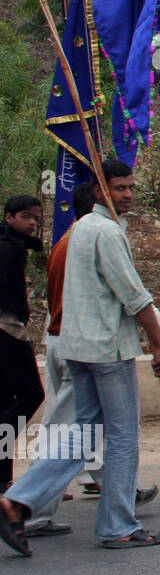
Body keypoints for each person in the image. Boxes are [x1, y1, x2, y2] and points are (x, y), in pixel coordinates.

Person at [1, 161, 160, 554]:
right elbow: (133, 295)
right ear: (99, 192)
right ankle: (117, 525)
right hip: (104, 349)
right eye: (119, 188)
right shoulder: (105, 231)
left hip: (77, 346)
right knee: (122, 435)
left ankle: (17, 500)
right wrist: (159, 342)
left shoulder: (78, 230)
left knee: (84, 434)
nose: (127, 194)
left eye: (131, 187)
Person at [0, 194, 44, 495]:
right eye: (26, 217)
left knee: (5, 402)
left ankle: (4, 479)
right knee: (31, 393)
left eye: (35, 219)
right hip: (7, 330)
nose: (31, 224)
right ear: (9, 218)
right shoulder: (11, 249)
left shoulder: (13, 245)